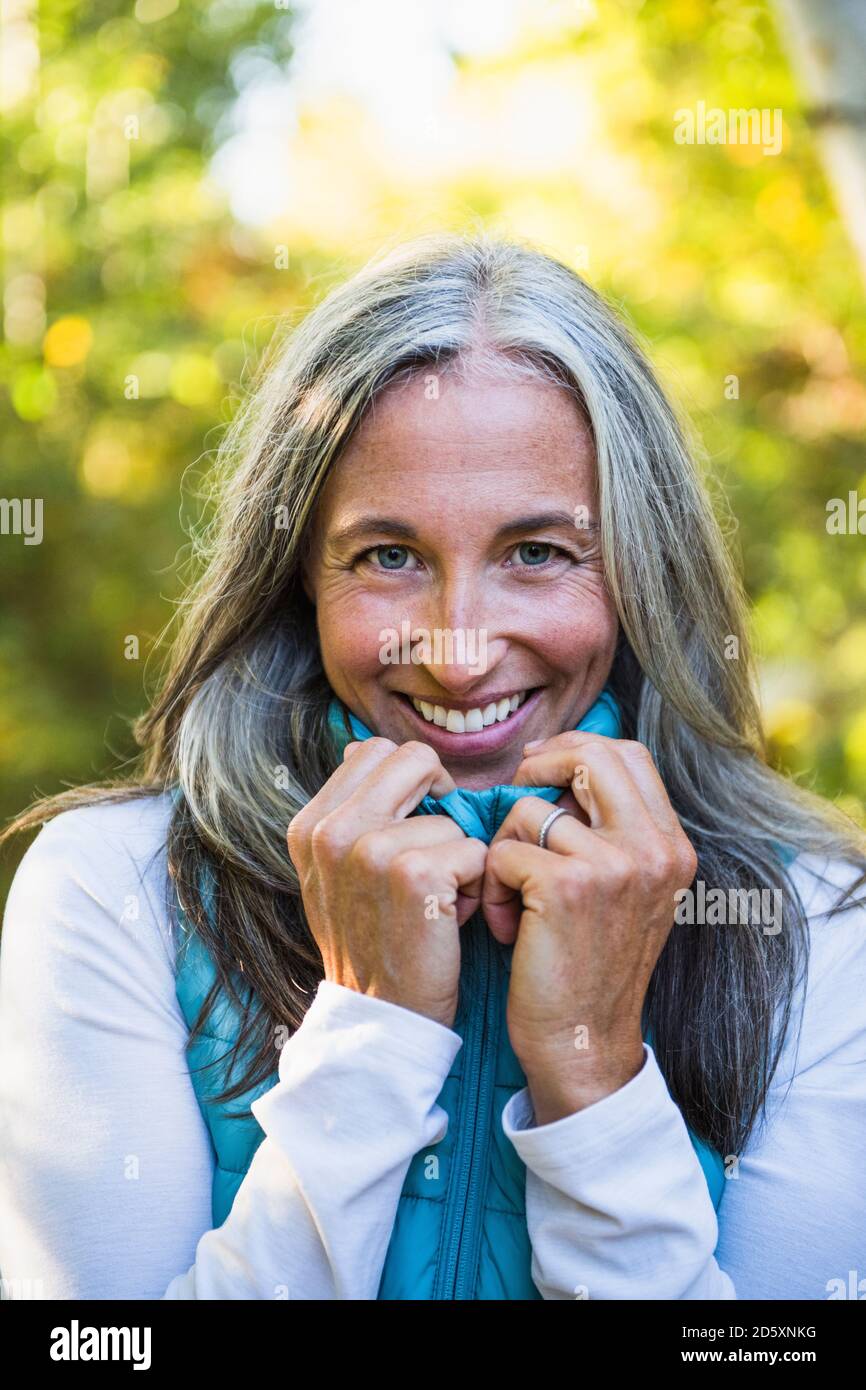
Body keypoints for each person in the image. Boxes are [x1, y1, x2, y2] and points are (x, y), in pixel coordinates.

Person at [1, 231, 864, 1301]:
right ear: (296, 579)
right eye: (389, 556)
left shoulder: (823, 929)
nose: (458, 648)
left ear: (643, 569)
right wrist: (370, 1037)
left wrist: (592, 1077)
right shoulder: (115, 887)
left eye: (536, 553)